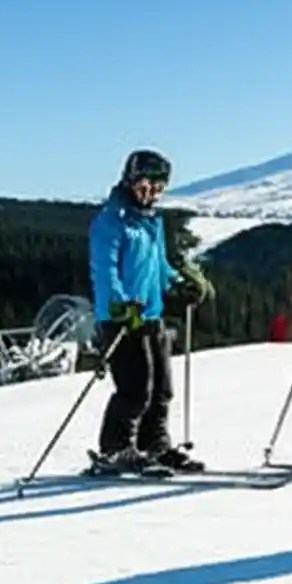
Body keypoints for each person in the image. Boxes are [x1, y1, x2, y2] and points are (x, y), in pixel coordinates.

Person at [88, 149, 212, 473]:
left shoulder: (151, 222)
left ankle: (154, 445)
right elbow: (105, 270)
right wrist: (120, 305)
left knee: (162, 389)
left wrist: (179, 285)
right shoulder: (112, 220)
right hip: (121, 318)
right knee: (135, 387)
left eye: (158, 186)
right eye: (146, 184)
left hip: (150, 315)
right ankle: (116, 449)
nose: (151, 192)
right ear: (130, 180)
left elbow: (159, 268)